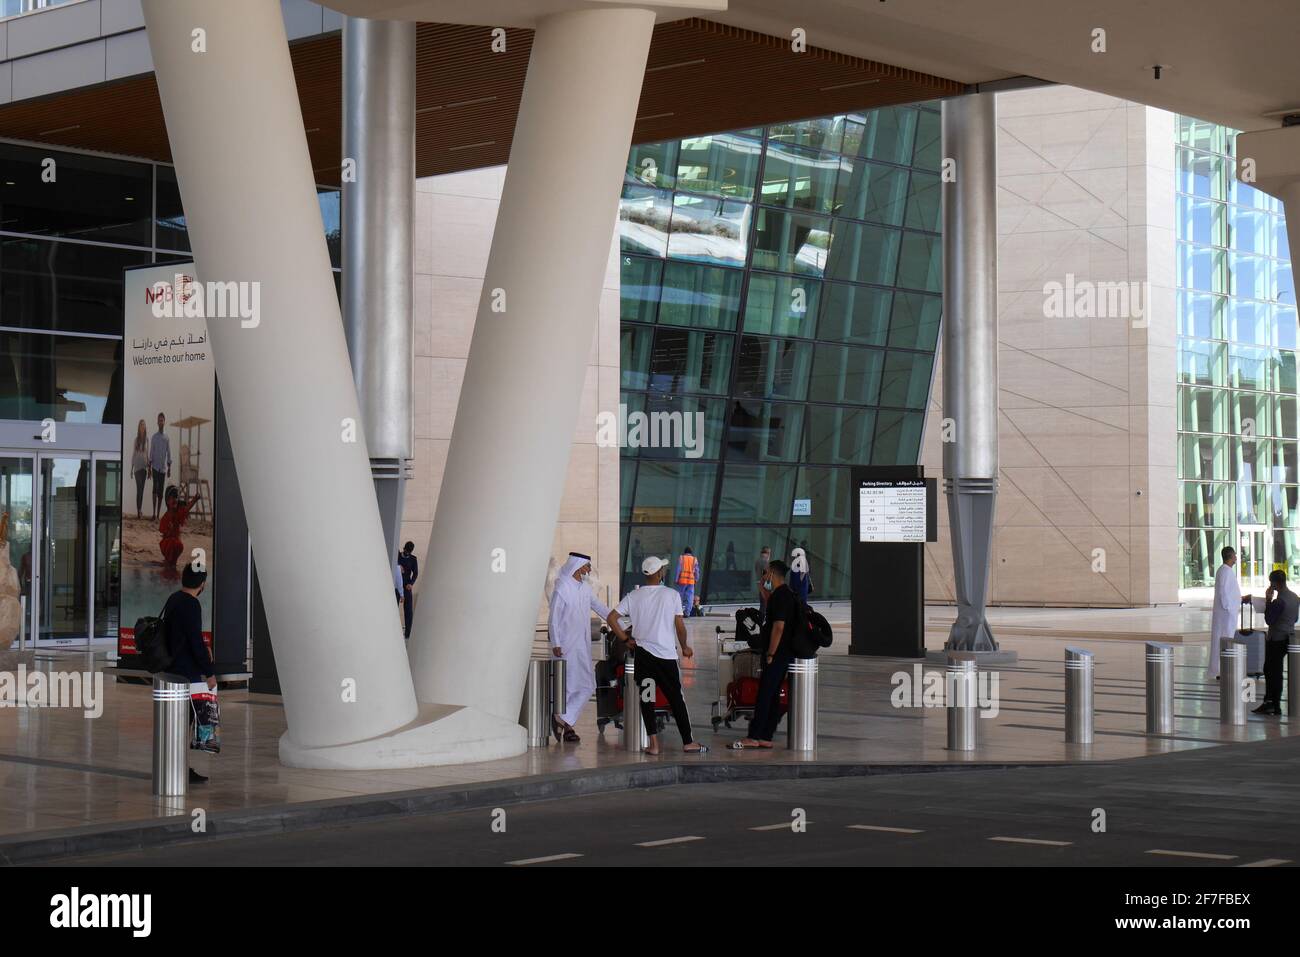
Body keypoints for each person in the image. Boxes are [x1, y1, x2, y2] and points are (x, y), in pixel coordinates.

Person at [606, 556, 709, 755]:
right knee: (676, 699)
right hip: (666, 657)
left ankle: (653, 744)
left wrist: (626, 640)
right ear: (659, 573)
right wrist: (685, 646)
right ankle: (688, 742)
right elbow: (679, 625)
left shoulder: (634, 596)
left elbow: (612, 618)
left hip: (643, 656)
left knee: (647, 699)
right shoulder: (671, 595)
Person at [549, 551, 627, 742]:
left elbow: (601, 608)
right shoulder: (562, 587)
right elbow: (553, 619)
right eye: (586, 566)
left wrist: (622, 624)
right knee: (568, 687)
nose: (589, 569)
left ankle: (562, 719)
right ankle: (568, 727)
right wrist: (556, 642)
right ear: (577, 565)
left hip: (582, 647)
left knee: (587, 685)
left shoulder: (584, 588)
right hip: (565, 646)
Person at [732, 559, 802, 750]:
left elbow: (778, 627)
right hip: (784, 653)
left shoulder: (781, 597)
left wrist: (770, 653)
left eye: (766, 573)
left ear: (772, 573)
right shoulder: (785, 594)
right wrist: (763, 589)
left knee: (765, 694)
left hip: (776, 654)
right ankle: (766, 735)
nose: (764, 575)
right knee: (772, 696)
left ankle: (754, 736)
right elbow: (773, 604)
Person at [165, 562, 215, 784]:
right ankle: (179, 768)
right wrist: (209, 672)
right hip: (188, 672)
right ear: (202, 584)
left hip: (172, 669)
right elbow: (195, 641)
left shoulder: (174, 599)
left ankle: (175, 766)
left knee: (177, 721)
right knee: (187, 721)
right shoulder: (191, 604)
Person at [1255, 569, 1298, 715]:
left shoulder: (1280, 601)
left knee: (1271, 671)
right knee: (1276, 670)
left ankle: (1272, 703)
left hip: (1276, 639)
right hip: (1289, 637)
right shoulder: (1294, 597)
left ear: (1273, 583)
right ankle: (1274, 703)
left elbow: (1269, 619)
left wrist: (1268, 600)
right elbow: (1295, 618)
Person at [1209, 546, 1249, 680]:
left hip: (1227, 612)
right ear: (1230, 556)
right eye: (1235, 555)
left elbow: (1229, 592)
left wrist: (1239, 598)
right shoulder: (1226, 571)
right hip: (1226, 614)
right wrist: (1228, 607)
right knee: (1225, 638)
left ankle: (1222, 668)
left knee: (1225, 638)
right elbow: (1223, 591)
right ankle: (1221, 669)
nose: (1236, 557)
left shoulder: (1225, 571)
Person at [158, 485, 201, 571]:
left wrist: (195, 500)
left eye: (176, 498)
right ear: (167, 501)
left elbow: (187, 508)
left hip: (176, 544)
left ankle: (171, 564)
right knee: (172, 544)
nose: (175, 500)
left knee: (177, 545)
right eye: (172, 498)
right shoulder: (164, 518)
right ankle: (168, 562)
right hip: (166, 545)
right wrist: (169, 530)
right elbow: (164, 534)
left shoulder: (178, 513)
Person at [149, 412, 171, 521]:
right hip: (155, 466)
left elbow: (169, 453)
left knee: (160, 492)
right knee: (154, 488)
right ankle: (153, 513)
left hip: (162, 468)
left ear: (164, 422)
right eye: (159, 420)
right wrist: (149, 468)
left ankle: (158, 515)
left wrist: (169, 467)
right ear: (157, 422)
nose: (161, 422)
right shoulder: (154, 437)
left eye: (162, 420)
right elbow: (151, 452)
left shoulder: (166, 438)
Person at [398, 541, 419, 639]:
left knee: (408, 610)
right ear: (404, 548)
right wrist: (398, 567)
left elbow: (415, 573)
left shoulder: (413, 559)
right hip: (397, 585)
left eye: (409, 552)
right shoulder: (398, 556)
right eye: (406, 551)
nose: (407, 553)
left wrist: (411, 584)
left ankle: (408, 633)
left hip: (407, 586)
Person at [130, 419, 149, 519]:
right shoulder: (136, 440)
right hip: (137, 468)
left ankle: (140, 509)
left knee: (142, 489)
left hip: (144, 467)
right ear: (139, 427)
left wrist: (149, 469)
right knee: (139, 489)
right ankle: (138, 511)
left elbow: (148, 454)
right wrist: (131, 469)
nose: (142, 426)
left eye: (143, 425)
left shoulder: (147, 440)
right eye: (141, 425)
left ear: (145, 427)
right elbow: (134, 454)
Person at [675, 546, 698, 616]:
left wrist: (676, 579)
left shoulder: (681, 558)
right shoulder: (694, 559)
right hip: (691, 581)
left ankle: (679, 612)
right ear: (691, 553)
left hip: (682, 580)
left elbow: (678, 569)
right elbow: (697, 571)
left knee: (680, 596)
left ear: (685, 552)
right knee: (690, 597)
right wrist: (696, 579)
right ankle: (687, 613)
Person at [754, 545, 772, 615]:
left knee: (763, 605)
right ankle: (761, 620)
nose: (770, 555)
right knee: (764, 605)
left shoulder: (758, 561)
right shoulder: (765, 562)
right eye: (769, 553)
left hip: (760, 584)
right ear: (767, 553)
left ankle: (760, 619)